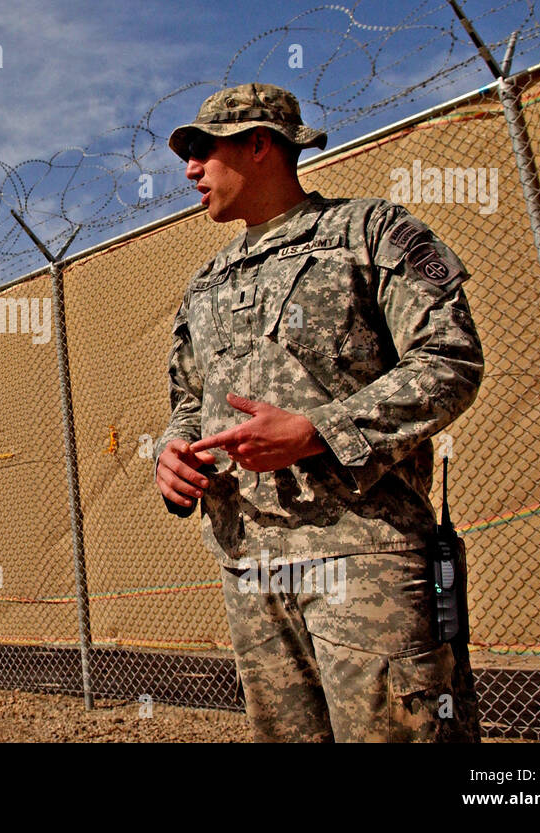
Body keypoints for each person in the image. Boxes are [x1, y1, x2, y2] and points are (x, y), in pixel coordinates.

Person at [153, 82, 484, 742]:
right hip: (250, 562)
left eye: (202, 148)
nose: (189, 168)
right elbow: (189, 400)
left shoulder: (369, 234)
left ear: (259, 145)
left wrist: (320, 431)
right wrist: (173, 450)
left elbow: (450, 358)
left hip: (363, 554)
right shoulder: (207, 284)